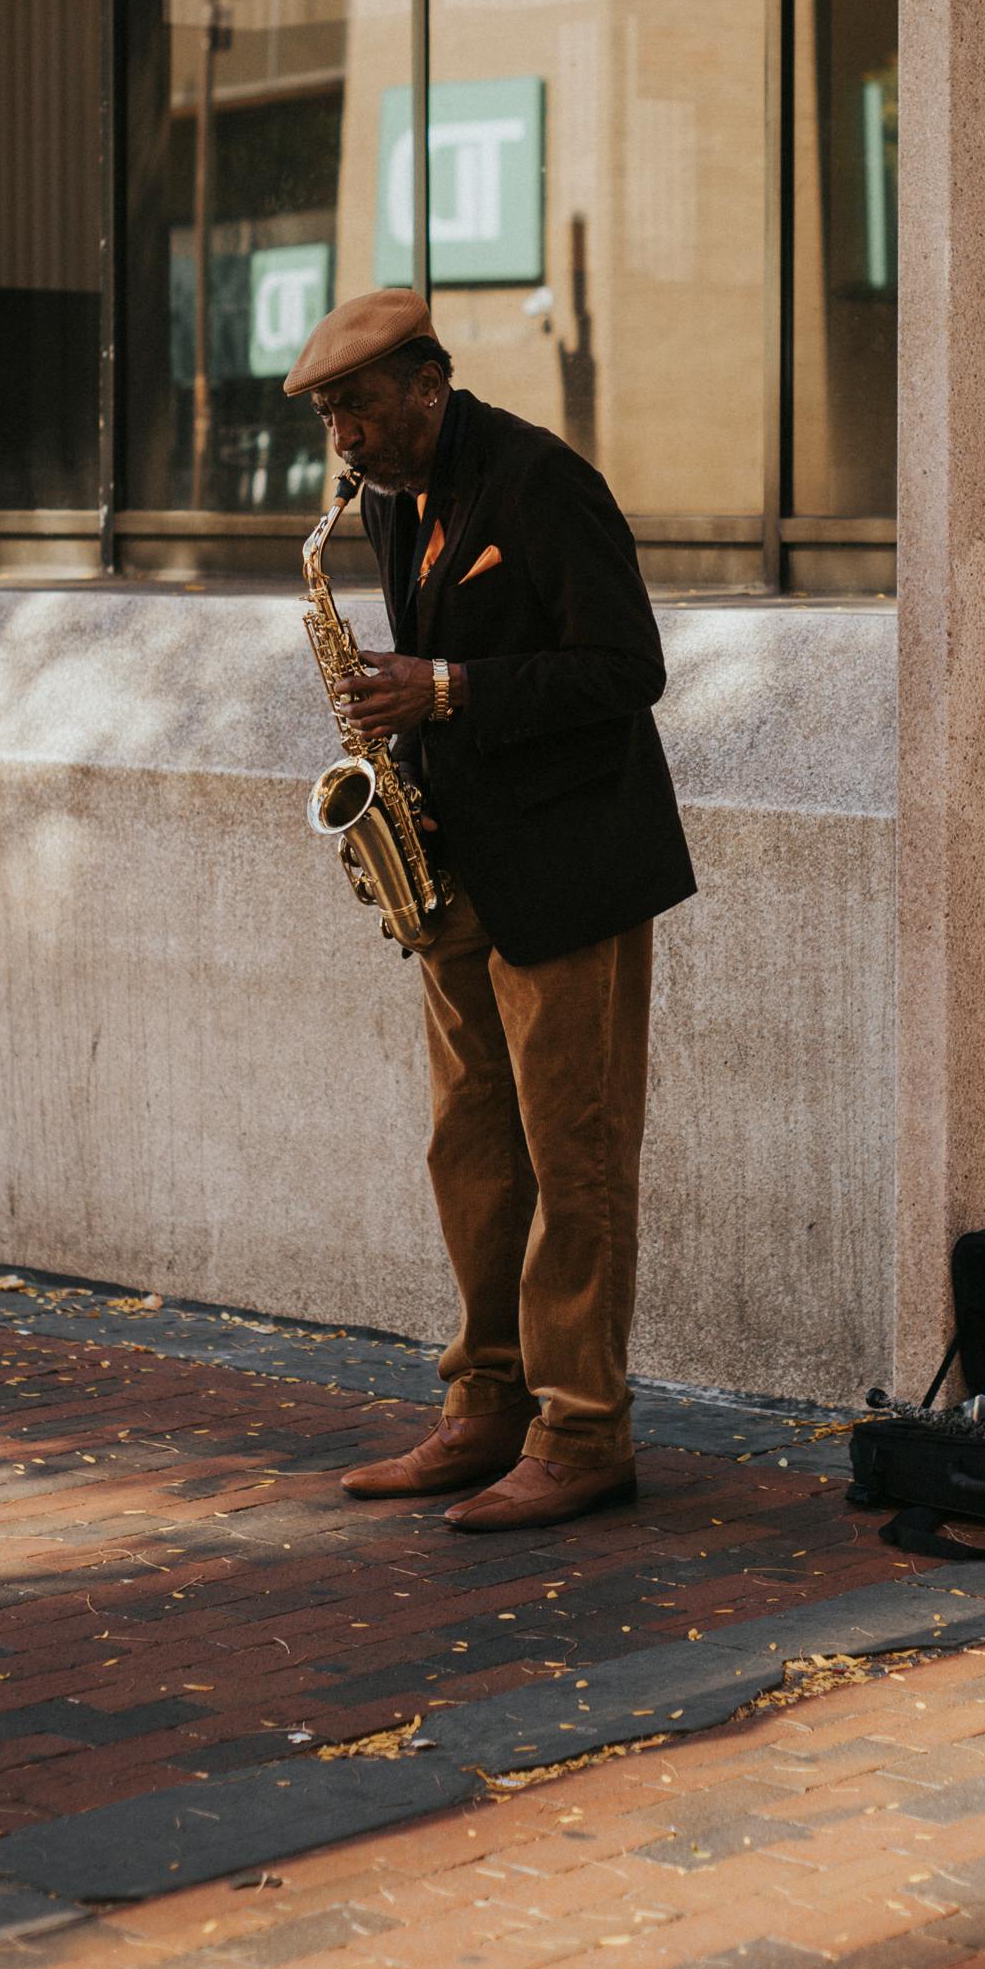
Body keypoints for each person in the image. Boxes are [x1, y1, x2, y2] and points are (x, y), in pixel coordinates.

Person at [282, 287, 696, 1531]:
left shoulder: (540, 481)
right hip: (462, 878)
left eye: (358, 406)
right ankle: (485, 1408)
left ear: (427, 381)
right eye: (329, 418)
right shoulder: (400, 508)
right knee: (470, 1153)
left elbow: (630, 670)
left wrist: (449, 687)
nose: (345, 439)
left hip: (569, 877)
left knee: (574, 1160)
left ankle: (584, 1434)